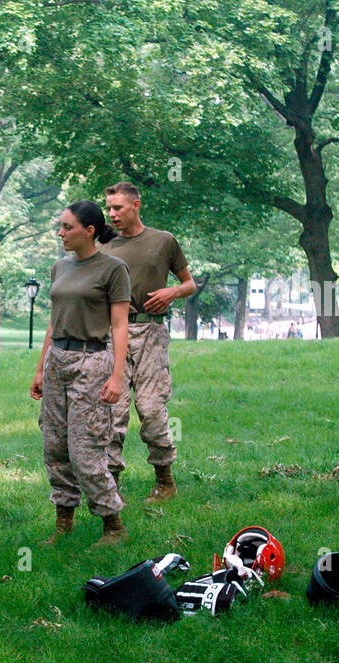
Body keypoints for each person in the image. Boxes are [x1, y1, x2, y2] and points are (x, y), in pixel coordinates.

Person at [30, 201, 130, 546]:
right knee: (54, 445)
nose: (61, 233)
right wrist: (41, 368)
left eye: (67, 227)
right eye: (60, 226)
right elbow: (52, 321)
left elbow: (119, 325)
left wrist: (117, 376)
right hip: (58, 359)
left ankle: (113, 525)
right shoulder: (59, 268)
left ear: (89, 231)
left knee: (85, 448)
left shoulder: (113, 269)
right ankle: (63, 523)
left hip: (92, 362)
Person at [101, 183, 195, 501]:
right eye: (109, 208)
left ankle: (165, 480)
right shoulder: (103, 245)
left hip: (151, 333)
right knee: (113, 410)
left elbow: (189, 283)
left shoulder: (163, 241)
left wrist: (172, 292)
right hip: (114, 334)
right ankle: (112, 487)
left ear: (136, 205)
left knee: (151, 408)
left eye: (118, 208)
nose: (112, 214)